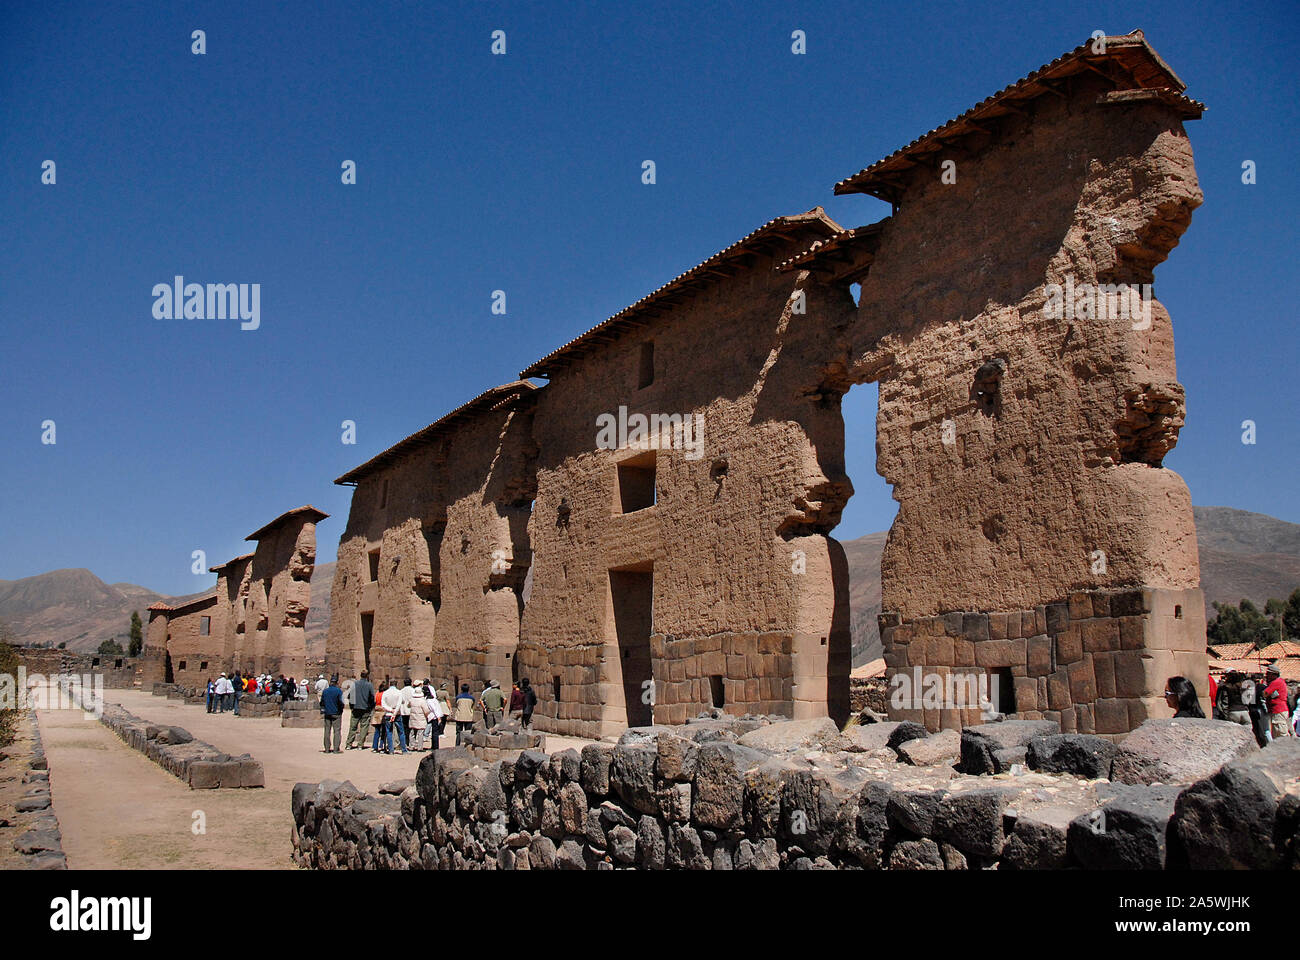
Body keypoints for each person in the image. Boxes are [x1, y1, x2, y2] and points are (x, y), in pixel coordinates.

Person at [1263, 662, 1292, 740]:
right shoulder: (1280, 681)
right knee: (1276, 733)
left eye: (1268, 674)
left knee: (1281, 732)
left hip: (1278, 710)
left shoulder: (1276, 682)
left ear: (1274, 674)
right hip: (1279, 710)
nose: (1267, 676)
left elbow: (1265, 693)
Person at [347, 670, 375, 749]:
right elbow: (372, 697)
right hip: (365, 709)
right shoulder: (369, 685)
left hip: (356, 708)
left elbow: (350, 696)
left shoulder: (355, 684)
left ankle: (349, 744)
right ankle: (360, 744)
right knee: (364, 727)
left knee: (353, 727)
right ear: (367, 676)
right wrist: (370, 707)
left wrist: (352, 706)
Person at [381, 680, 408, 754]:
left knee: (389, 732)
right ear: (396, 684)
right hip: (397, 714)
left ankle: (391, 750)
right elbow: (399, 704)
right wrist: (395, 712)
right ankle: (404, 750)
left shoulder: (385, 693)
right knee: (401, 732)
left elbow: (383, 704)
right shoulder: (399, 692)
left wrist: (390, 710)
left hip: (388, 714)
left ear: (390, 684)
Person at [320, 675, 344, 753]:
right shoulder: (338, 691)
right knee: (337, 731)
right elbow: (341, 702)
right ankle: (336, 749)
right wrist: (340, 710)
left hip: (327, 712)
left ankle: (327, 748)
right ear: (336, 683)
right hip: (336, 713)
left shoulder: (325, 691)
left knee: (327, 731)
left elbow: (322, 702)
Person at [407, 683, 429, 750]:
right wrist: (426, 715)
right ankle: (420, 747)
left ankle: (411, 746)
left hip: (413, 717)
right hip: (420, 718)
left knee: (412, 732)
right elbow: (426, 710)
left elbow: (408, 706)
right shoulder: (422, 701)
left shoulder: (412, 699)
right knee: (420, 733)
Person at [371, 681, 389, 752]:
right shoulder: (384, 694)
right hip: (383, 712)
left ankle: (375, 747)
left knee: (377, 731)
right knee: (384, 731)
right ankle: (382, 746)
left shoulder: (377, 693)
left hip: (377, 712)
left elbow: (374, 702)